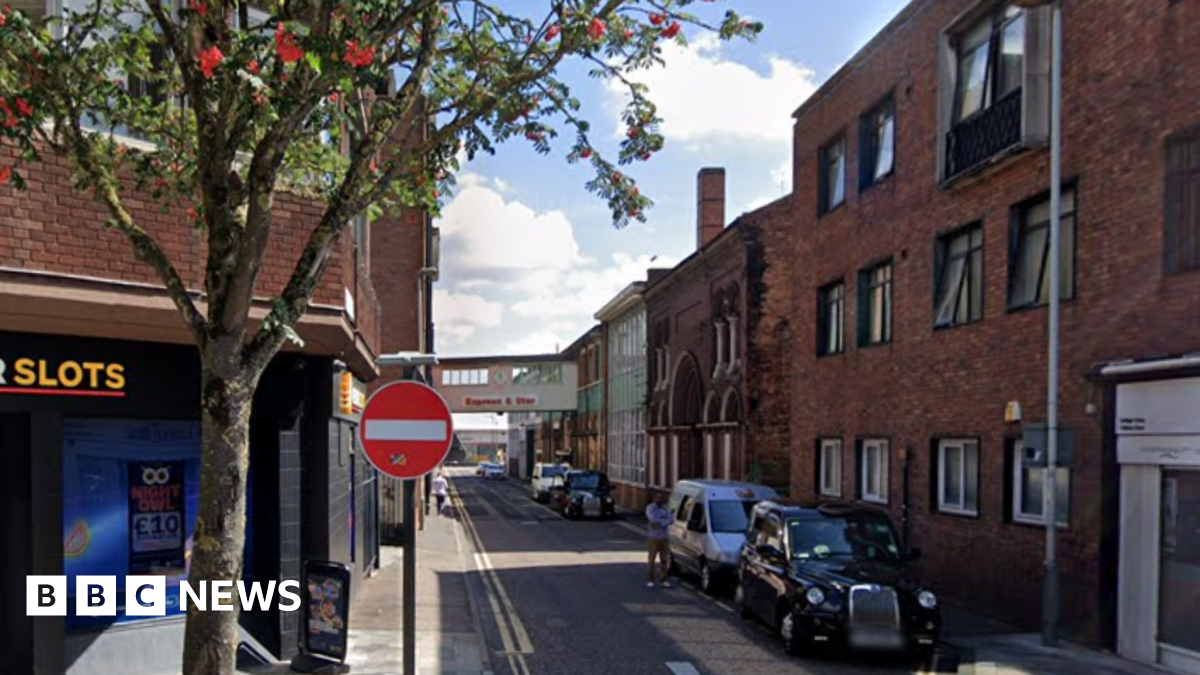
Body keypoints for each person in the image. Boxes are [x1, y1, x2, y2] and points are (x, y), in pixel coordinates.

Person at [645, 489, 674, 588]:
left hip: (664, 538)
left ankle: (664, 580)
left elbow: (671, 520)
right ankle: (651, 580)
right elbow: (652, 520)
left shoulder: (666, 508)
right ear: (654, 498)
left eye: (662, 498)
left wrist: (660, 522)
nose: (661, 499)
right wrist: (664, 521)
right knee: (652, 559)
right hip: (653, 537)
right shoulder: (650, 508)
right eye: (658, 497)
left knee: (664, 560)